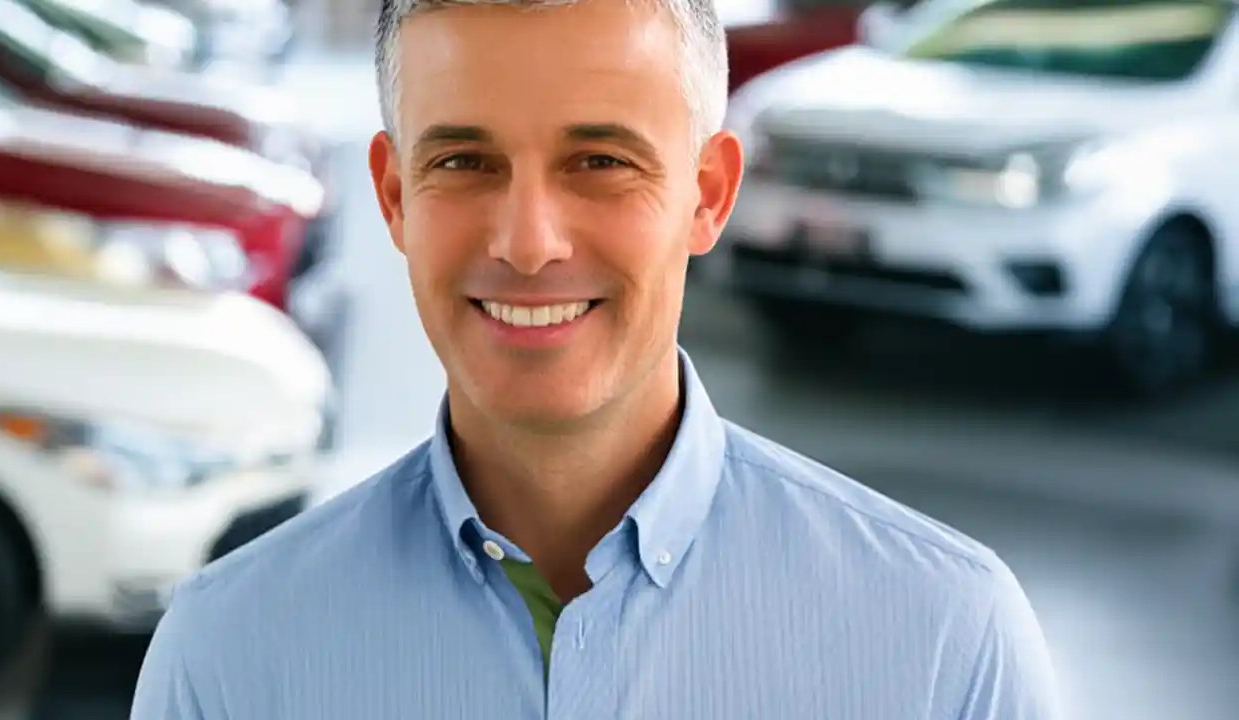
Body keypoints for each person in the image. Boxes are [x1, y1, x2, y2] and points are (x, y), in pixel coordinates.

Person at [130, 0, 1063, 717]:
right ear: (393, 196)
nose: (528, 243)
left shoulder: (946, 642)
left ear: (708, 194)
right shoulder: (227, 659)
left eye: (599, 162)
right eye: (464, 163)